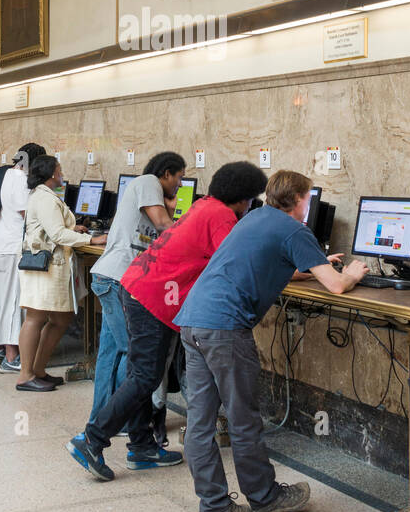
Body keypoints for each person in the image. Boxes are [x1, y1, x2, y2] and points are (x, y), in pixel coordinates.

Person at [175, 169, 367, 512]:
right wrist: (353, 272)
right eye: (307, 199)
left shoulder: (255, 218)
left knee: (199, 423)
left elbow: (268, 260)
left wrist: (313, 266)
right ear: (298, 200)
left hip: (193, 321)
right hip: (225, 328)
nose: (308, 206)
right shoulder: (295, 229)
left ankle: (215, 509)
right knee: (243, 417)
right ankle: (265, 499)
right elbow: (338, 287)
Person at [68, 161, 267, 481]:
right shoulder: (221, 215)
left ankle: (142, 447)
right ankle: (91, 438)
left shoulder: (205, 206)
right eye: (250, 201)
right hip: (152, 299)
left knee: (141, 373)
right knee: (145, 375)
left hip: (141, 289)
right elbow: (233, 263)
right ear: (243, 199)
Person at [87, 152, 186, 426]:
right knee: (133, 352)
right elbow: (164, 225)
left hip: (113, 278)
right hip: (117, 278)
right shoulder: (147, 182)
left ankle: (101, 418)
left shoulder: (150, 191)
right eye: (178, 178)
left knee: (111, 352)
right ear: (166, 173)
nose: (179, 185)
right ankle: (123, 420)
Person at [17, 155, 107, 391]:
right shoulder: (44, 198)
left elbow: (53, 228)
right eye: (59, 169)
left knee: (61, 318)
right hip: (45, 266)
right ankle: (25, 376)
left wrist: (72, 228)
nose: (62, 173)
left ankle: (38, 370)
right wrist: (92, 239)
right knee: (35, 318)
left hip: (53, 267)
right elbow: (56, 235)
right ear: (51, 174)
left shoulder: (44, 196)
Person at [0, 142, 44, 371]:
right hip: (13, 247)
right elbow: (27, 213)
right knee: (13, 302)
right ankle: (12, 357)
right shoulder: (19, 178)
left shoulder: (3, 174)